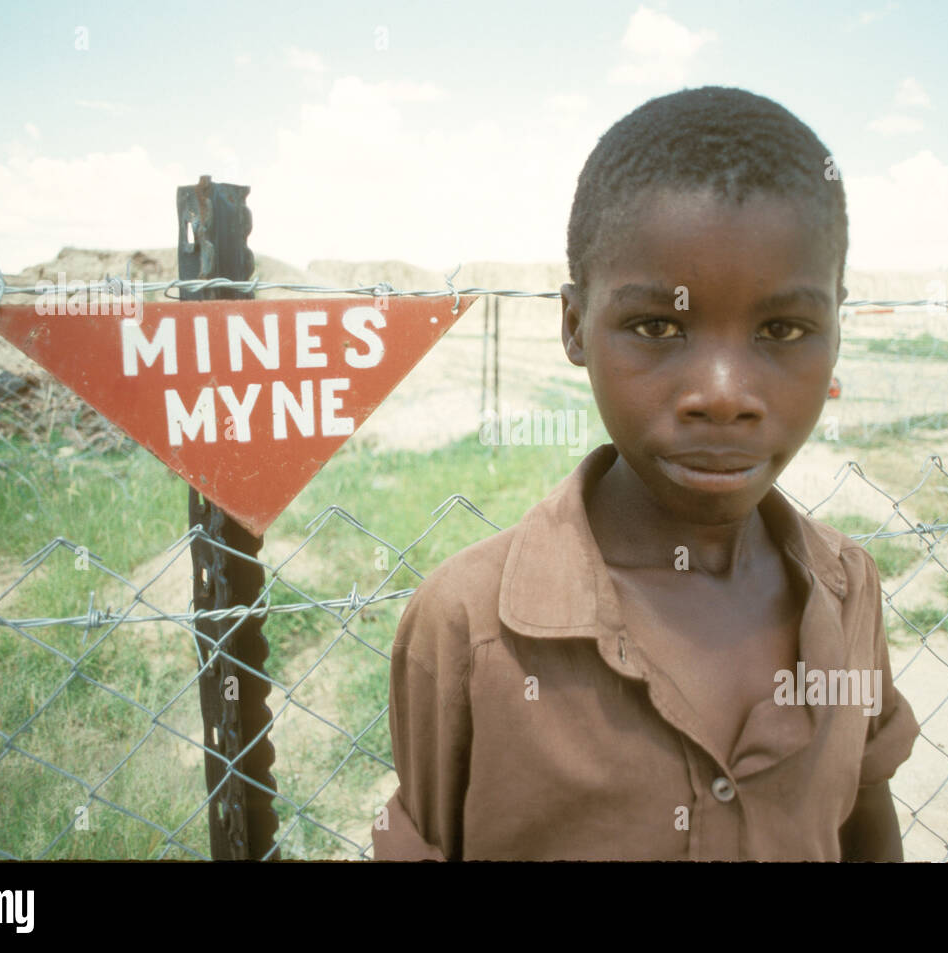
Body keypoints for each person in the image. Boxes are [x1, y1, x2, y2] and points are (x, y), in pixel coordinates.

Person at [372, 85, 919, 861]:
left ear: (836, 328)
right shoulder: (468, 626)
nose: (723, 395)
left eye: (783, 328)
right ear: (574, 327)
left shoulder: (848, 589)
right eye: (657, 326)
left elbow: (865, 817)